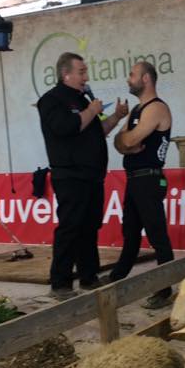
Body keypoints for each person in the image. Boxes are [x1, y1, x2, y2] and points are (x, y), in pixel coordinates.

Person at [37, 52, 128, 299]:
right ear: (66, 74)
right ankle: (61, 283)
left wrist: (117, 116)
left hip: (92, 176)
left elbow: (98, 130)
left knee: (89, 227)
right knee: (70, 228)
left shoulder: (82, 100)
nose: (86, 77)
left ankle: (89, 277)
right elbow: (67, 127)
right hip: (71, 175)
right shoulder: (52, 100)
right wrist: (91, 109)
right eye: (81, 72)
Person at [109, 60, 174, 309]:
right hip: (135, 179)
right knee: (130, 234)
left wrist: (127, 142)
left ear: (146, 78)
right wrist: (126, 142)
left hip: (149, 179)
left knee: (157, 236)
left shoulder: (156, 108)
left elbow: (128, 140)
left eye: (132, 74)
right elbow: (119, 142)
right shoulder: (137, 110)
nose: (129, 79)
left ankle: (164, 290)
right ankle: (116, 280)